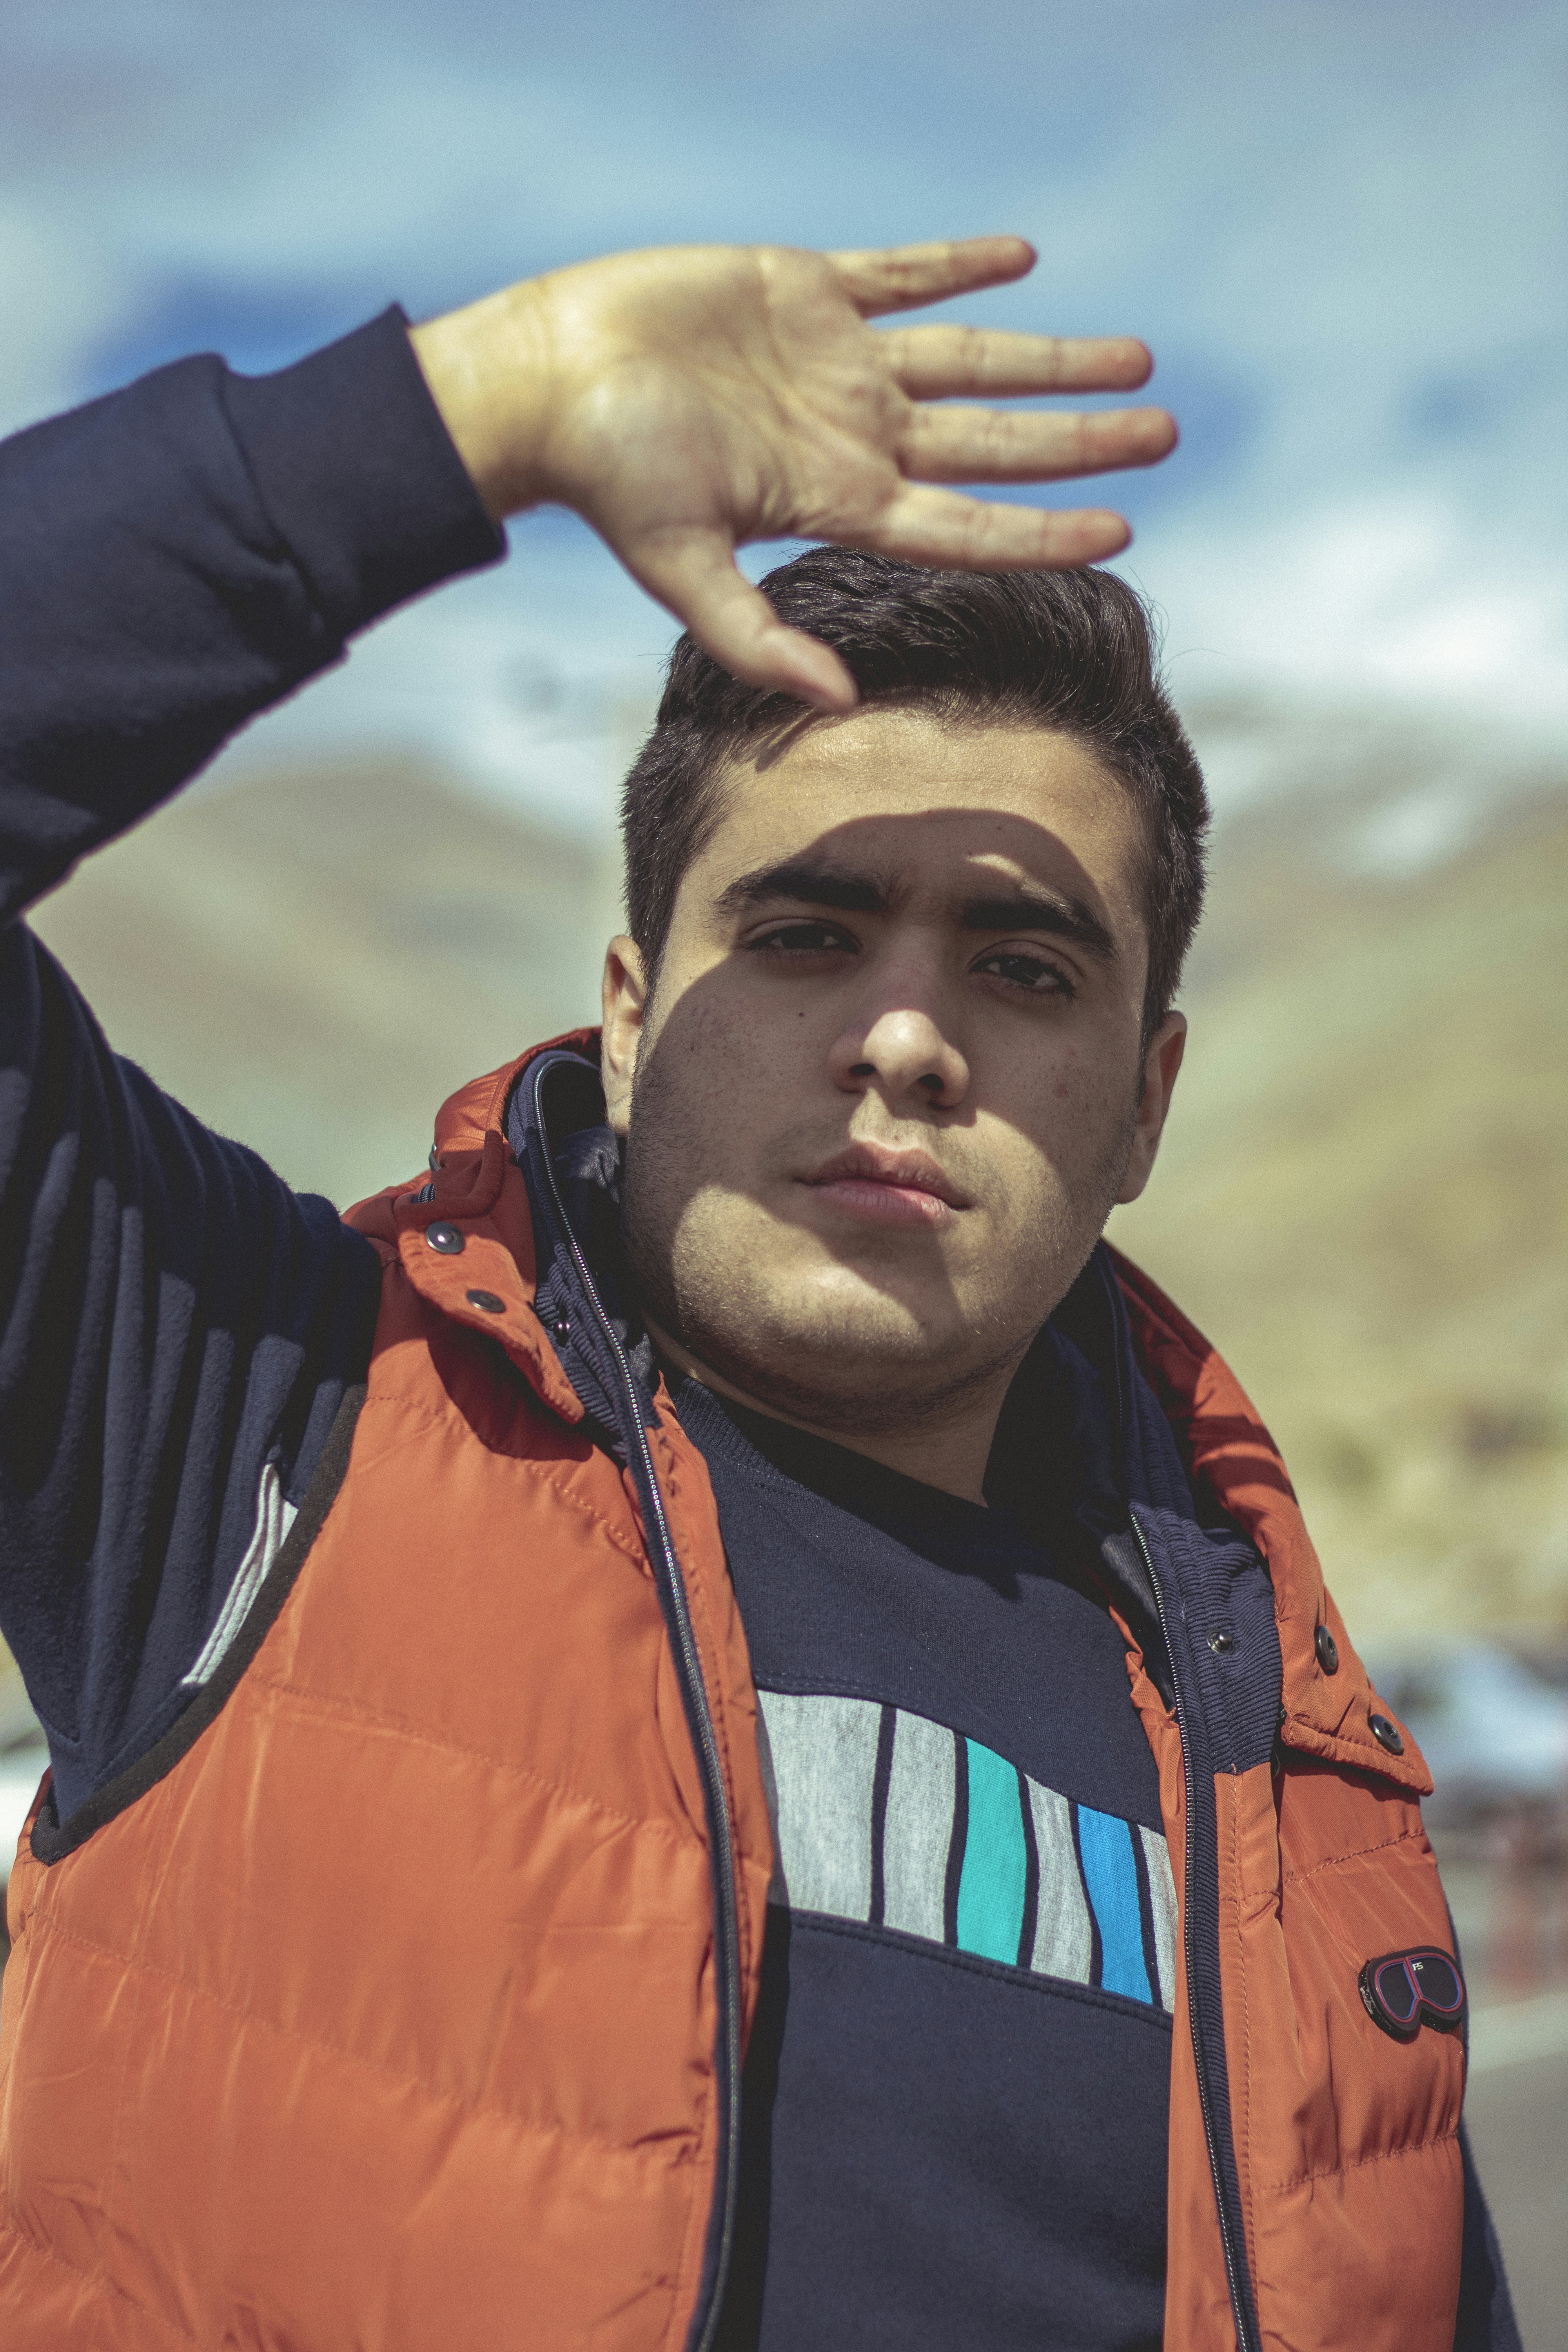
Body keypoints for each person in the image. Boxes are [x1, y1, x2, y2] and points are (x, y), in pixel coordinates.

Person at [0, 235, 1515, 2352]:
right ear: (625, 1017)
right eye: (807, 935)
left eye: (1025, 967)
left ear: (1146, 1100)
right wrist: (459, 422)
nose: (908, 1039)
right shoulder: (263, 1425)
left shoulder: (1303, 1773)